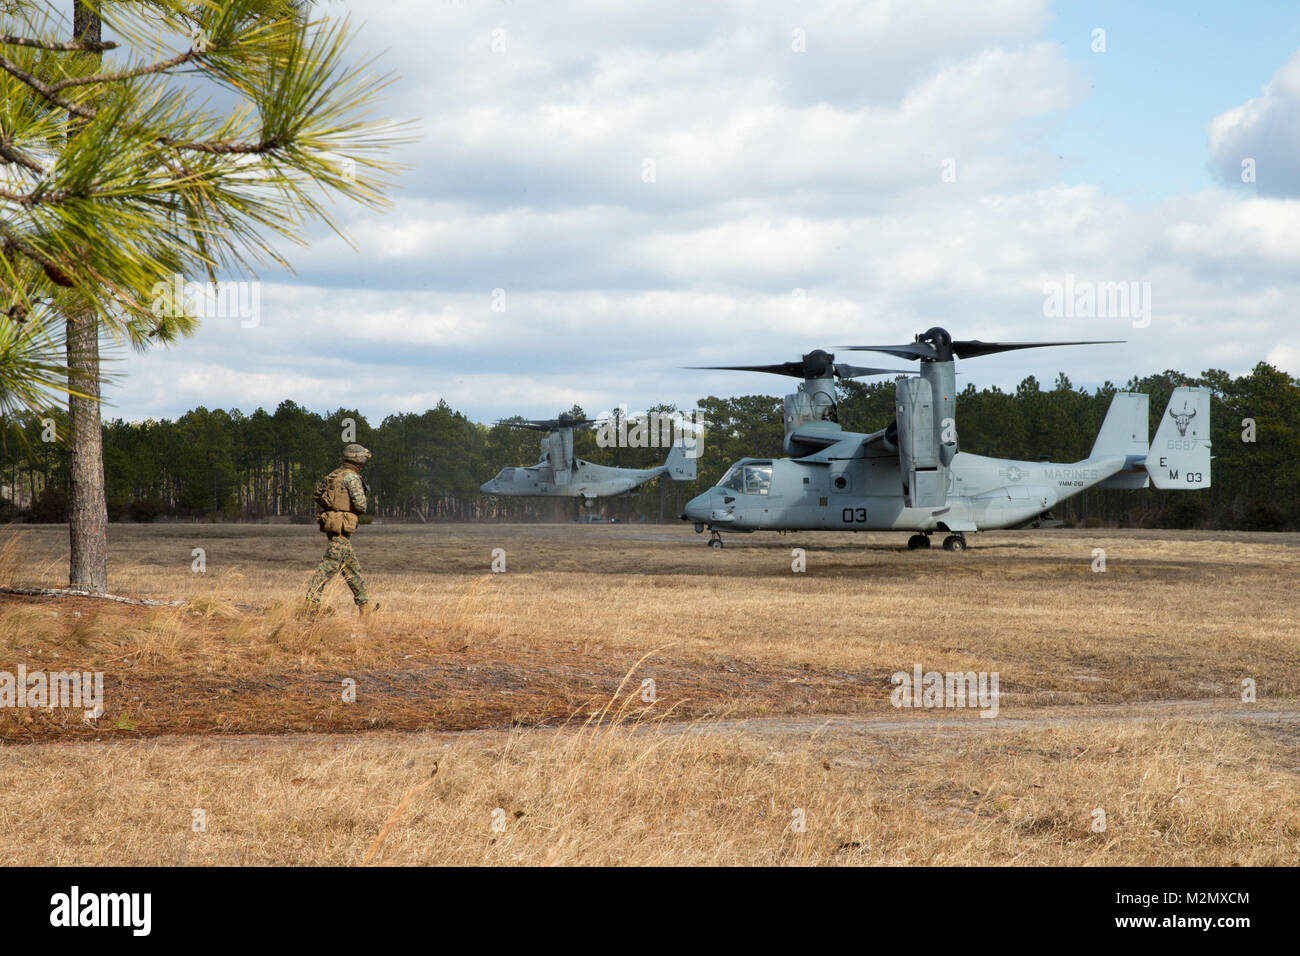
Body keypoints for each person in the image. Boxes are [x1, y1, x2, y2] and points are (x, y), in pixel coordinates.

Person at [305, 443, 377, 617]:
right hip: (342, 526)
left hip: (331, 523)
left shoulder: (333, 474)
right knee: (330, 564)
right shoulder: (352, 478)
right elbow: (360, 505)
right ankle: (310, 604)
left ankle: (365, 608)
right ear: (358, 460)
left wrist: (332, 507)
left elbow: (317, 495)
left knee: (351, 567)